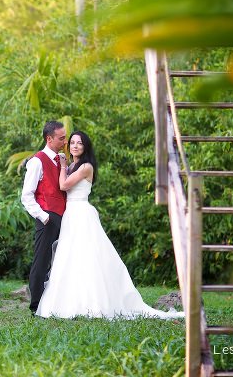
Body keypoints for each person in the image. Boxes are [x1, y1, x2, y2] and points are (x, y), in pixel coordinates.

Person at [36, 130, 184, 320]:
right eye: (72, 142)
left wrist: (62, 166)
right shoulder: (73, 165)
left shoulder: (85, 167)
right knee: (70, 256)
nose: (75, 146)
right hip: (70, 214)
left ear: (85, 146)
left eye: (79, 143)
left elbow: (64, 186)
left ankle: (94, 302)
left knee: (87, 256)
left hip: (81, 213)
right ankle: (69, 300)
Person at [21, 120, 67, 314]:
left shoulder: (60, 160)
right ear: (49, 139)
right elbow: (26, 195)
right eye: (61, 138)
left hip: (63, 217)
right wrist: (43, 216)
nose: (65, 141)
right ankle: (35, 306)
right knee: (41, 261)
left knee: (60, 262)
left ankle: (54, 303)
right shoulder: (37, 161)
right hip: (47, 218)